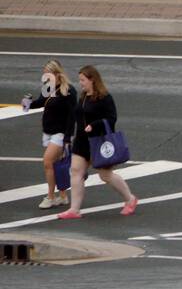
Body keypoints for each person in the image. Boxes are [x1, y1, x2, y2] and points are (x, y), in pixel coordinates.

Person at [57, 66, 138, 220]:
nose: (80, 83)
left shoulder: (105, 97)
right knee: (76, 171)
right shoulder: (83, 97)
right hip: (81, 141)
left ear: (92, 79)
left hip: (99, 141)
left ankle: (130, 199)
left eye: (83, 80)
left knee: (105, 175)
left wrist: (95, 125)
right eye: (80, 80)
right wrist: (67, 138)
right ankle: (74, 210)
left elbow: (111, 119)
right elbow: (74, 118)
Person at [21, 59, 76, 209]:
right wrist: (28, 104)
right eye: (44, 73)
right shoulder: (48, 87)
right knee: (57, 165)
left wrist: (67, 138)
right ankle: (63, 196)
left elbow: (72, 116)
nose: (45, 75)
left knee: (47, 162)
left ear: (57, 74)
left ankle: (50, 197)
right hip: (48, 132)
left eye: (48, 73)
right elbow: (41, 102)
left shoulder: (68, 91)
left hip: (61, 133)